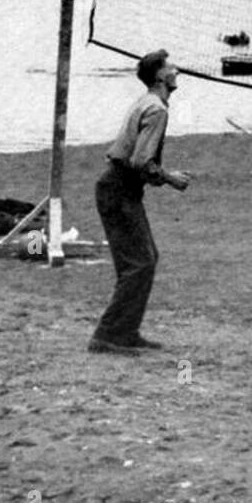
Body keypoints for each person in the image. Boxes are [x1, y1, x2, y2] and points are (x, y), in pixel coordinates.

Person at [89, 50, 192, 355]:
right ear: (161, 76)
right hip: (118, 188)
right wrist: (171, 179)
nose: (176, 70)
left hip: (119, 188)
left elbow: (138, 161)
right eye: (170, 66)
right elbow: (141, 162)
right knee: (140, 263)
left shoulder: (148, 101)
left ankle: (126, 331)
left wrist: (160, 176)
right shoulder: (157, 108)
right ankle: (107, 335)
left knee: (143, 260)